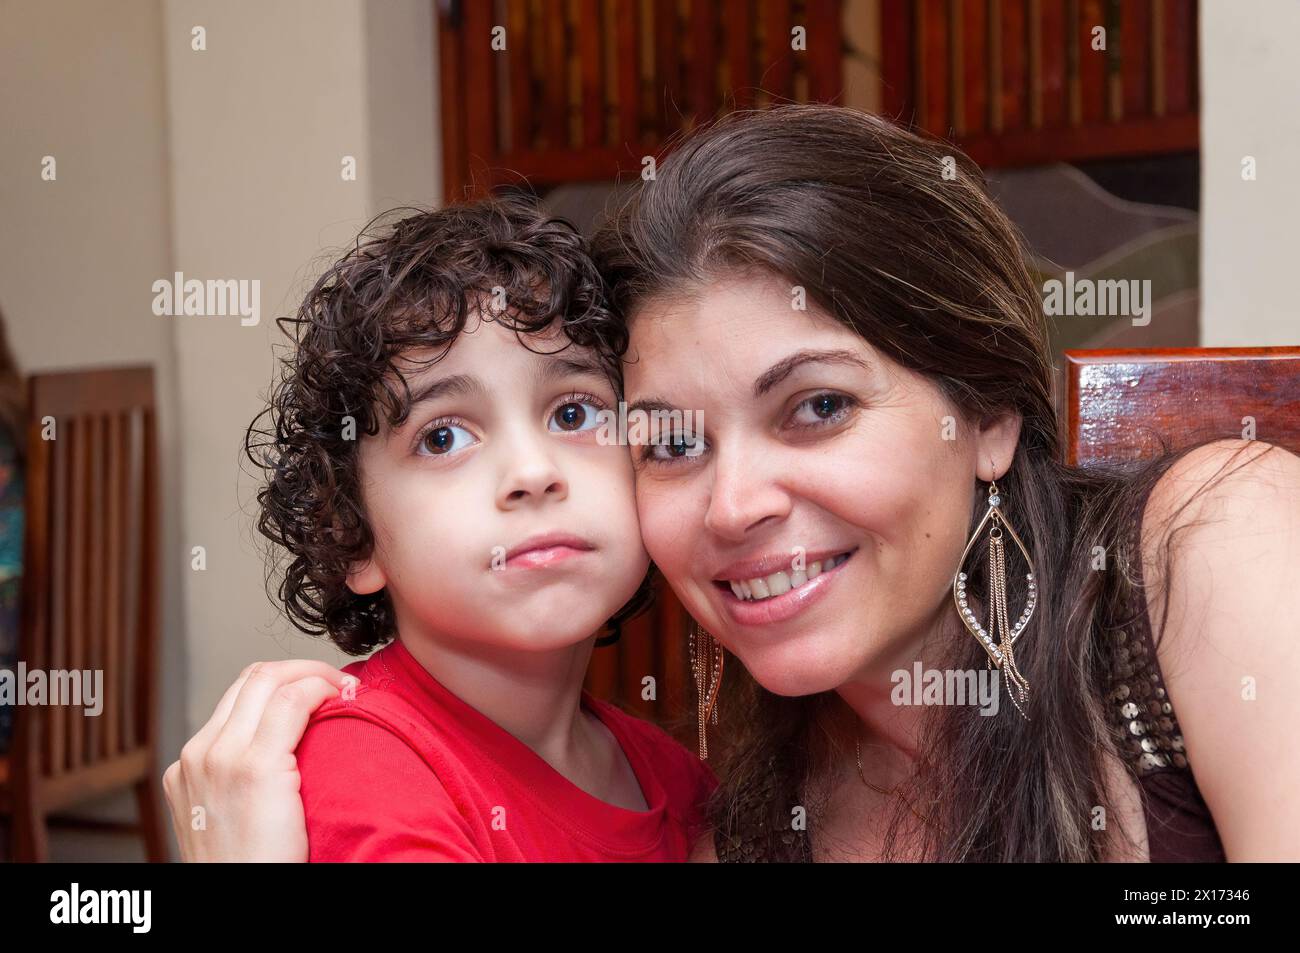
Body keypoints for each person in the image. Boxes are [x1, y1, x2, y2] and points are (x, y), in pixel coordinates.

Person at [167, 105, 1300, 862]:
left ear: (989, 414)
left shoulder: (1209, 551)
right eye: (666, 439)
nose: (734, 503)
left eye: (816, 406)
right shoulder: (754, 819)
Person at [168, 197, 716, 861]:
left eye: (573, 413)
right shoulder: (363, 768)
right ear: (356, 536)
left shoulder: (675, 779)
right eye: (445, 435)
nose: (533, 470)